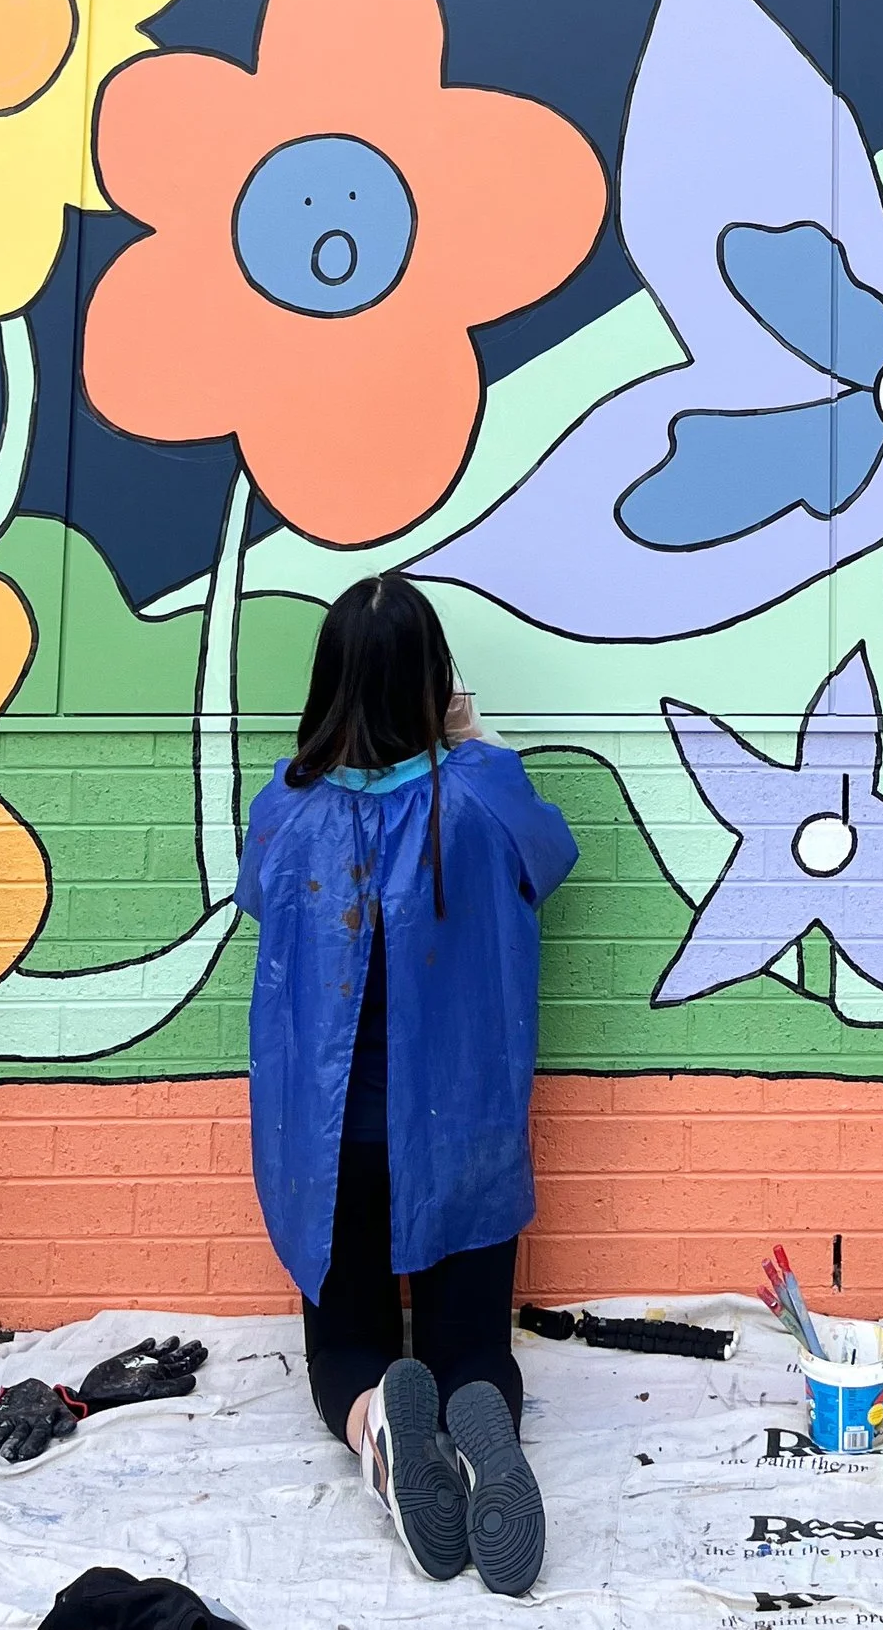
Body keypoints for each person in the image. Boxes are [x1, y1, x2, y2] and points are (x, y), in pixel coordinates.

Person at [238, 574, 576, 1600]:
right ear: (435, 682)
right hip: (461, 1133)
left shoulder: (287, 808)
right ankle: (477, 1419)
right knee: (474, 1342)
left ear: (330, 683)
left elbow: (258, 894)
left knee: (348, 1343)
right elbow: (549, 855)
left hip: (330, 1146)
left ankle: (375, 1418)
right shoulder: (476, 797)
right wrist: (472, 741)